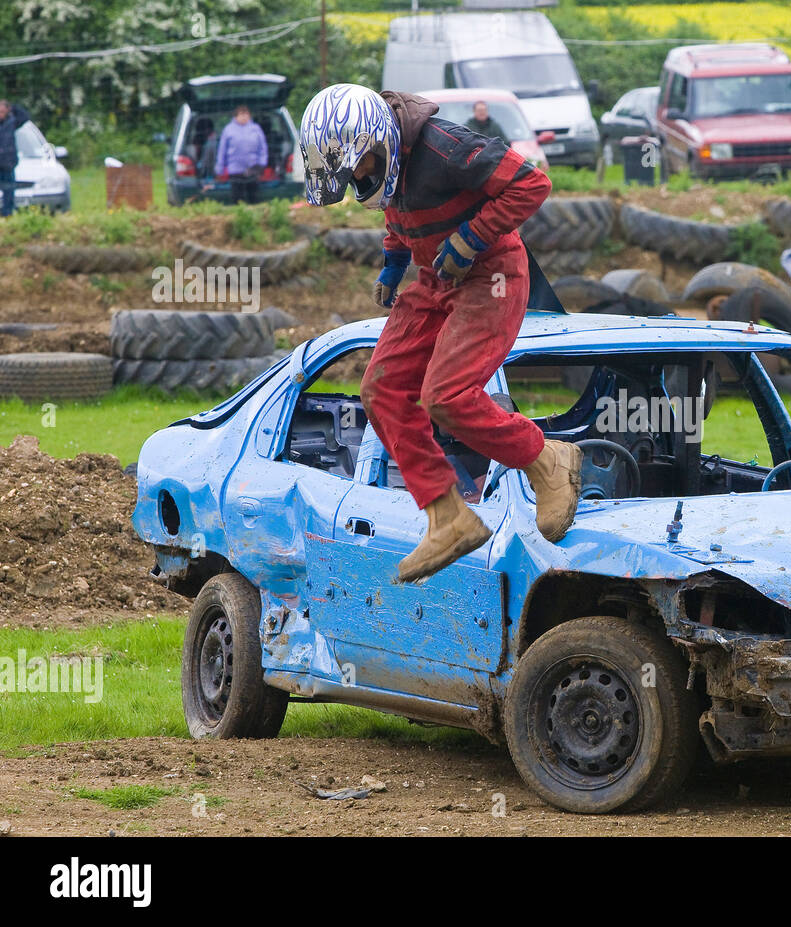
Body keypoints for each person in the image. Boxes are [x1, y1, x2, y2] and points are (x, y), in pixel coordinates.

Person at [299, 83, 580, 583]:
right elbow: (400, 213)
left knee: (446, 396)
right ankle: (448, 517)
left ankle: (546, 458)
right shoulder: (387, 163)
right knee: (382, 390)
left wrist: (471, 238)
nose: (358, 180)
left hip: (491, 273)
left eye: (358, 169)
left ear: (377, 141)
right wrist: (393, 264)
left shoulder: (444, 146)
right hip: (438, 277)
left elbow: (532, 184)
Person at [215, 105, 268, 204]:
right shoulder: (228, 129)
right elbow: (222, 150)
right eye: (241, 114)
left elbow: (263, 148)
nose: (244, 117)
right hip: (235, 170)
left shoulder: (256, 128)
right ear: (236, 116)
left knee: (254, 197)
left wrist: (262, 164)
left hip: (253, 169)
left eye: (246, 114)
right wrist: (220, 169)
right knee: (237, 198)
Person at [0, 99, 32, 218]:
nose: (0, 114)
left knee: (9, 191)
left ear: (7, 111)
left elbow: (25, 117)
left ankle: (7, 215)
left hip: (8, 164)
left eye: (3, 112)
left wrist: (13, 107)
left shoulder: (12, 122)